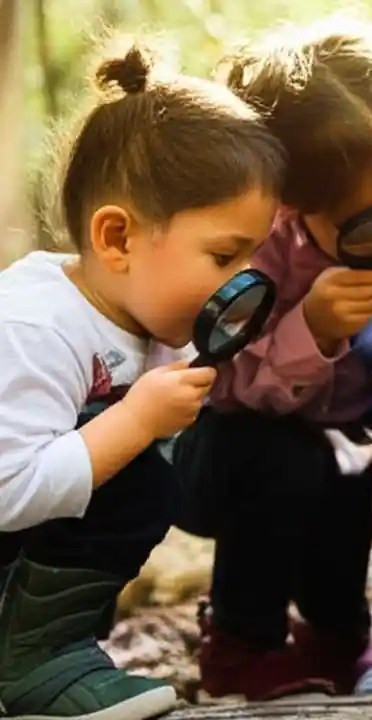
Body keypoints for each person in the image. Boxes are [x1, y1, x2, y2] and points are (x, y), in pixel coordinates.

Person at [0, 42, 284, 720]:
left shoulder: (146, 326)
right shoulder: (35, 328)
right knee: (140, 471)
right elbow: (8, 490)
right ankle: (30, 662)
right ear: (118, 238)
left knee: (161, 470)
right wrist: (134, 423)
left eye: (250, 256)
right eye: (223, 255)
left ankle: (51, 649)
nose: (241, 281)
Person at [171, 19, 372, 701]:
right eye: (364, 216)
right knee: (287, 457)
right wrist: (310, 326)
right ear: (296, 200)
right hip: (219, 454)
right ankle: (240, 645)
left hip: (331, 449)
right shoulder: (257, 257)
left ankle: (340, 637)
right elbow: (224, 385)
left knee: (359, 473)